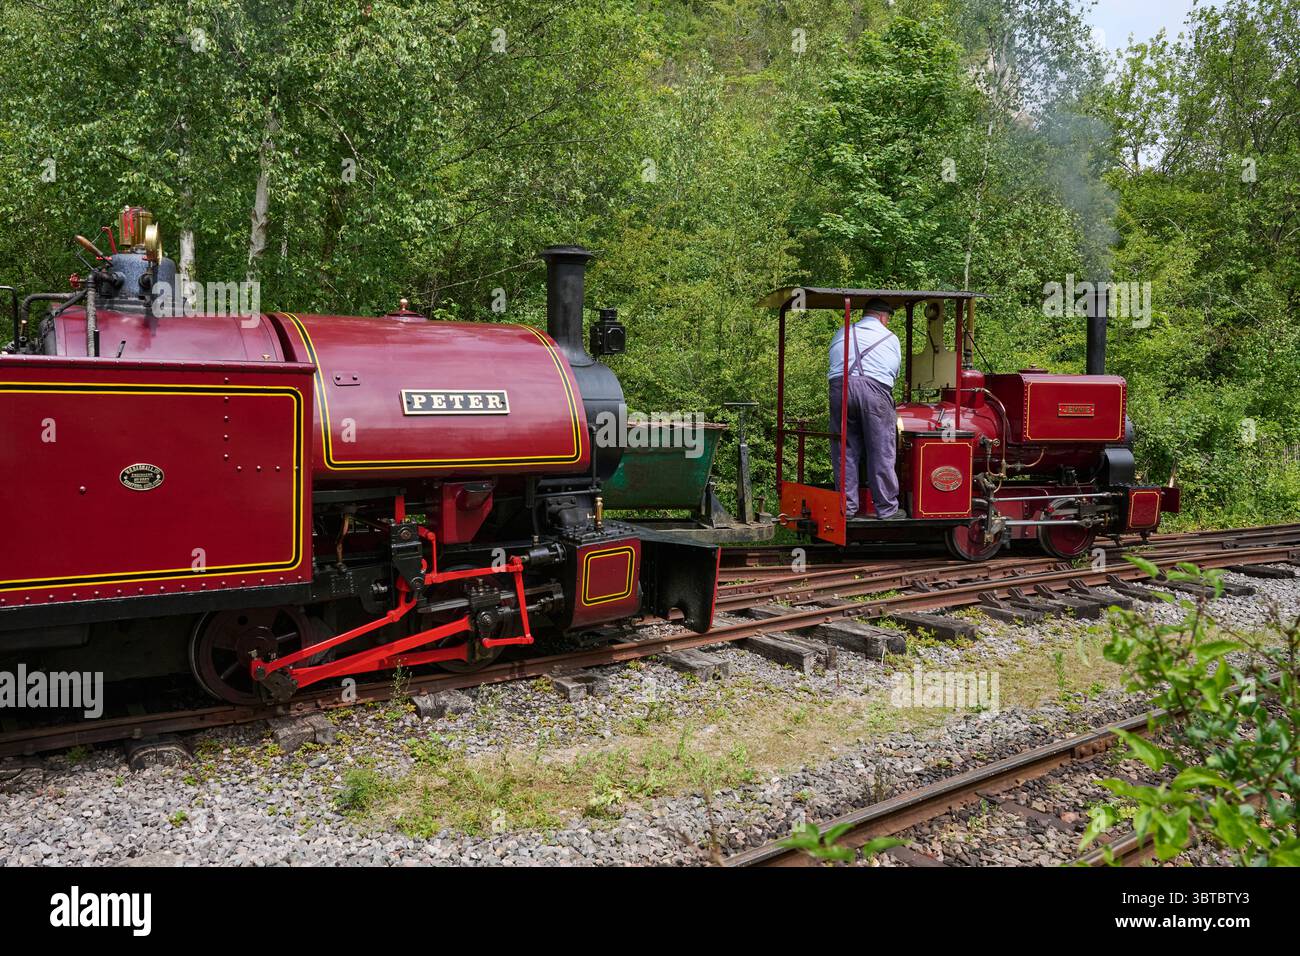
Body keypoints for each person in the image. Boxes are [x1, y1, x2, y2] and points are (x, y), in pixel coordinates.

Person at [828, 297, 903, 519]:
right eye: (887, 318)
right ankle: (887, 509)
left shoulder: (841, 332)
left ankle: (847, 508)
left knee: (845, 450)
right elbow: (893, 373)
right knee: (881, 449)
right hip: (874, 390)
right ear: (882, 316)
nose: (887, 322)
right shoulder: (889, 337)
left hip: (839, 389)